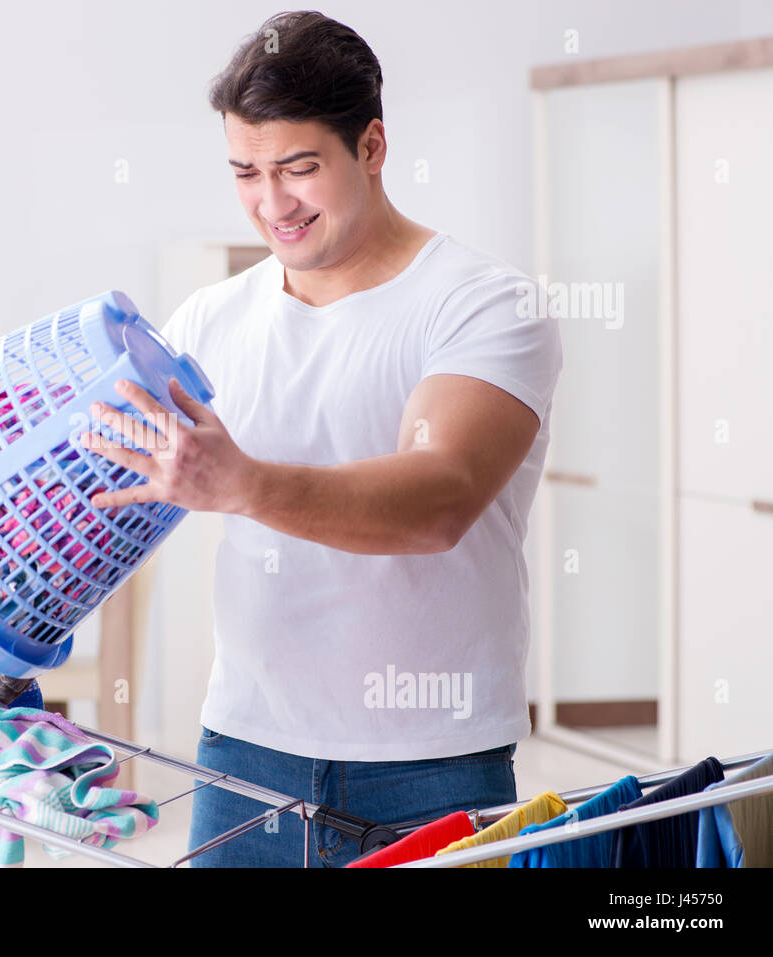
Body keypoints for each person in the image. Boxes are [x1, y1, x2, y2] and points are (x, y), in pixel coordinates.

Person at [82, 11, 563, 867]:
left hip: (431, 764)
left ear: (371, 147)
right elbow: (113, 492)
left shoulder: (482, 304)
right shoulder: (213, 318)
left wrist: (243, 483)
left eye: (299, 168)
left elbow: (438, 499)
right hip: (244, 747)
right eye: (246, 172)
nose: (273, 203)